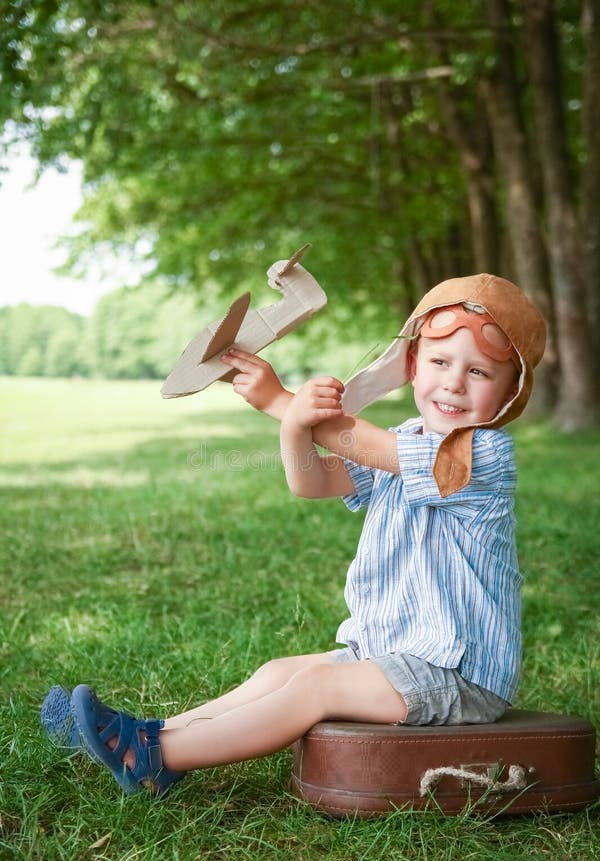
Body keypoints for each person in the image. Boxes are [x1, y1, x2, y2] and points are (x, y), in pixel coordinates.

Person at [41, 272, 546, 797]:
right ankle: (154, 734)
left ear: (509, 394)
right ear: (413, 366)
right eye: (440, 362)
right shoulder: (403, 439)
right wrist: (291, 426)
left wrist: (279, 399)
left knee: (314, 687)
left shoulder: (483, 455)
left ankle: (150, 756)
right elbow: (313, 480)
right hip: (389, 654)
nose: (454, 382)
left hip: (458, 673)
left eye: (479, 371)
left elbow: (361, 443)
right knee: (276, 672)